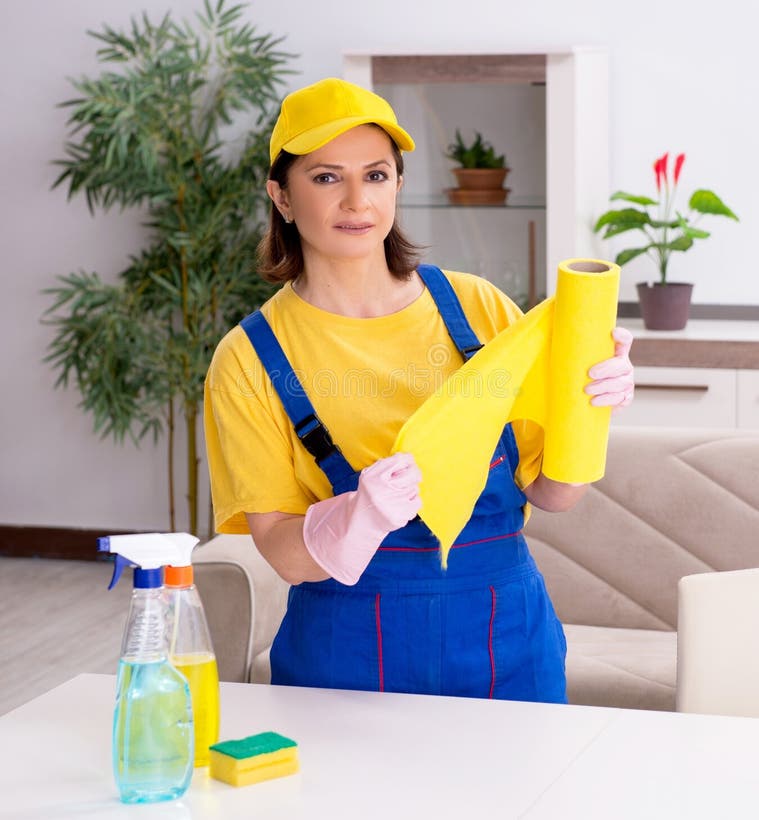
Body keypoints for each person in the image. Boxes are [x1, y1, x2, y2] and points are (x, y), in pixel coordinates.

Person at [204, 77, 635, 703]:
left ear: (398, 186)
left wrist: (590, 407)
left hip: (508, 640)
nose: (357, 200)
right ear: (282, 196)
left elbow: (552, 494)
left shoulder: (478, 308)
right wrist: (360, 517)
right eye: (326, 177)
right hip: (343, 655)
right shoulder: (248, 358)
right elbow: (286, 556)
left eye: (376, 176)